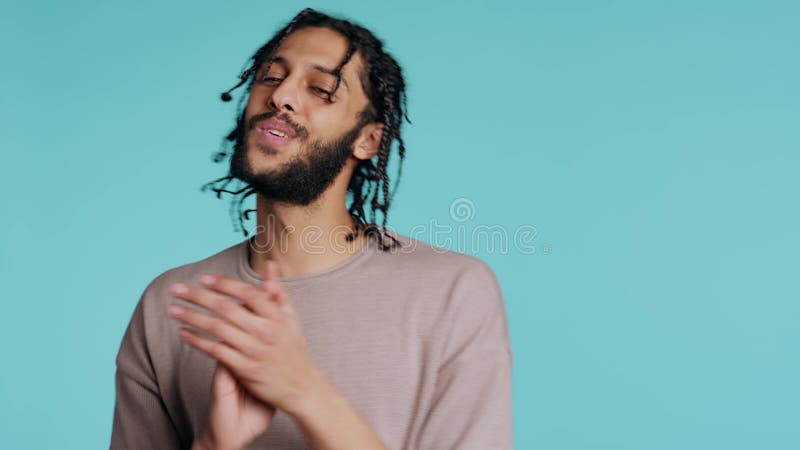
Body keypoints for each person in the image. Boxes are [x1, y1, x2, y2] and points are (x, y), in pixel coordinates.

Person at [110, 7, 513, 450]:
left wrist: (305, 393)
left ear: (368, 140)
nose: (281, 95)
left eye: (321, 89)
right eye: (269, 77)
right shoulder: (172, 305)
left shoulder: (451, 292)